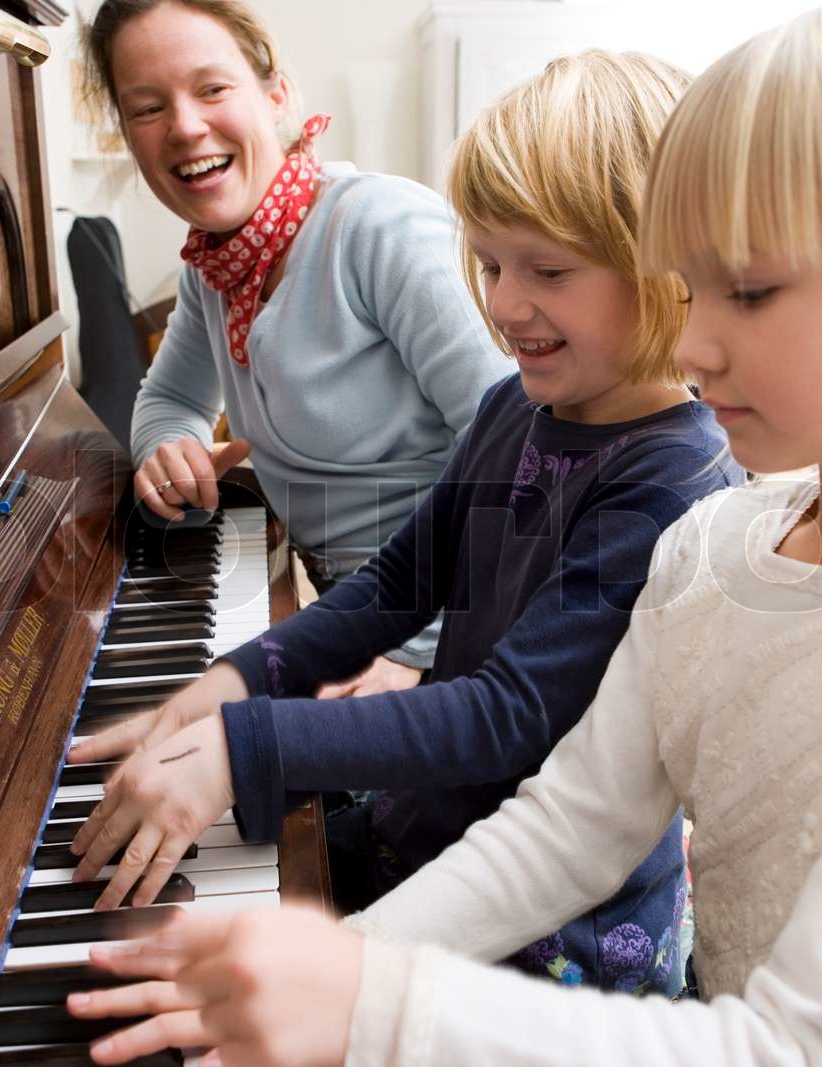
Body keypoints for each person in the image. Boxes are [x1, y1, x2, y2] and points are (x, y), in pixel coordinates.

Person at [66, 2, 822, 1064]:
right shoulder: (718, 542)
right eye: (688, 281)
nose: (695, 337)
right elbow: (569, 824)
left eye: (747, 290)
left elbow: (812, 1044)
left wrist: (372, 997)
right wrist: (340, 966)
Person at [64, 49, 740, 997]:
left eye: (546, 269)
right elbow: (399, 582)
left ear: (667, 266)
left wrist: (250, 745)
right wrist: (238, 677)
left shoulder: (675, 480)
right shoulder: (518, 408)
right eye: (493, 261)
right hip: (428, 825)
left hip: (550, 941)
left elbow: (510, 715)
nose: (503, 305)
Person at [85, 0, 510, 686]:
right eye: (147, 107)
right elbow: (167, 395)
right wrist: (168, 446)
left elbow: (517, 448)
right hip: (340, 608)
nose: (186, 127)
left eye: (213, 88)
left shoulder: (379, 226)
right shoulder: (214, 269)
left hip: (455, 625)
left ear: (276, 92)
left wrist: (414, 649)